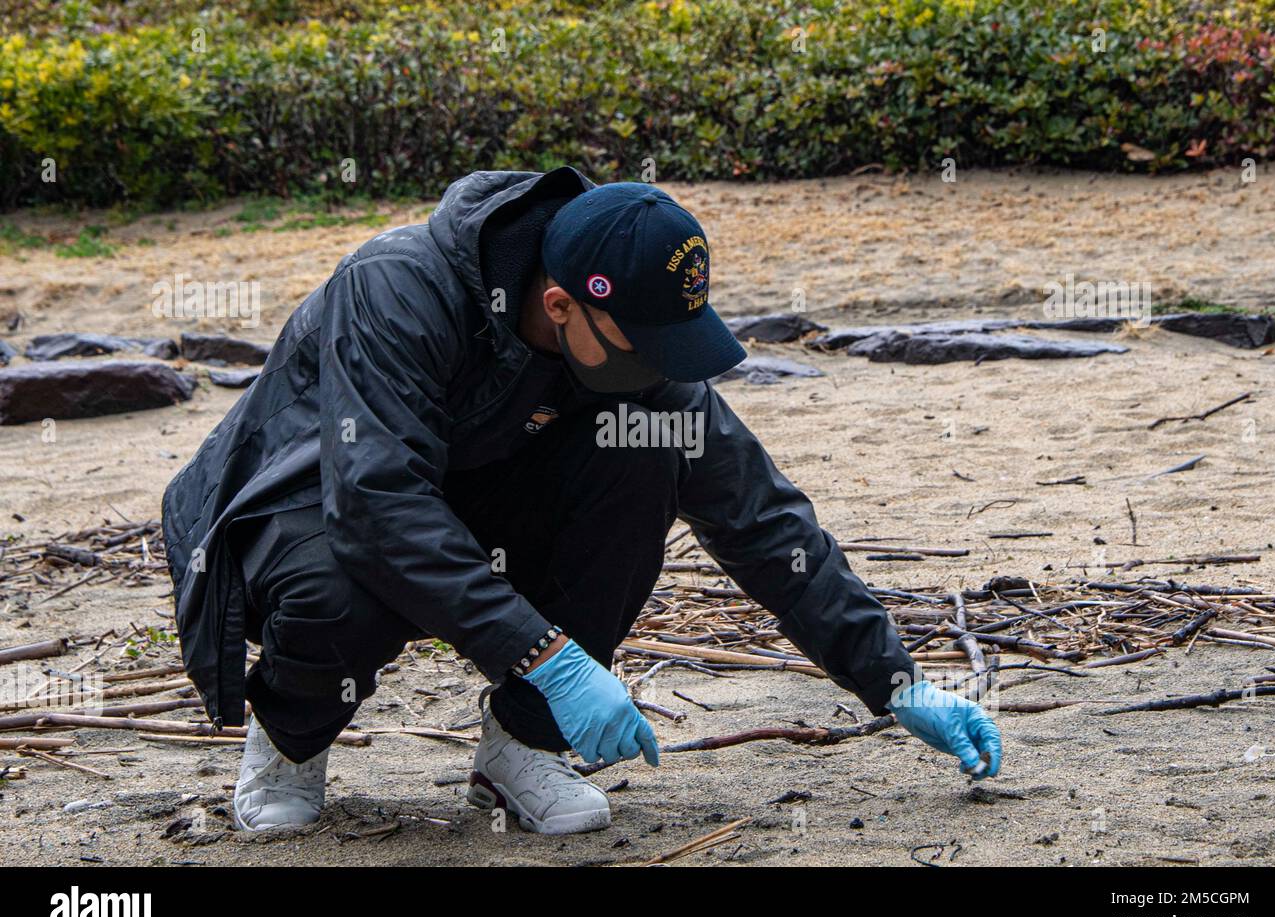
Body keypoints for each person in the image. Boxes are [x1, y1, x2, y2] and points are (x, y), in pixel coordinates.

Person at [162, 167, 1002, 836]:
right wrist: (549, 656)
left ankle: (523, 747)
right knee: (339, 588)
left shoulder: (629, 347)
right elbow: (378, 502)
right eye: (646, 351)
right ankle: (290, 743)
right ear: (560, 305)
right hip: (295, 504)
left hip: (465, 491)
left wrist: (894, 680)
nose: (660, 371)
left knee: (645, 459)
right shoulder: (398, 287)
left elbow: (758, 513)